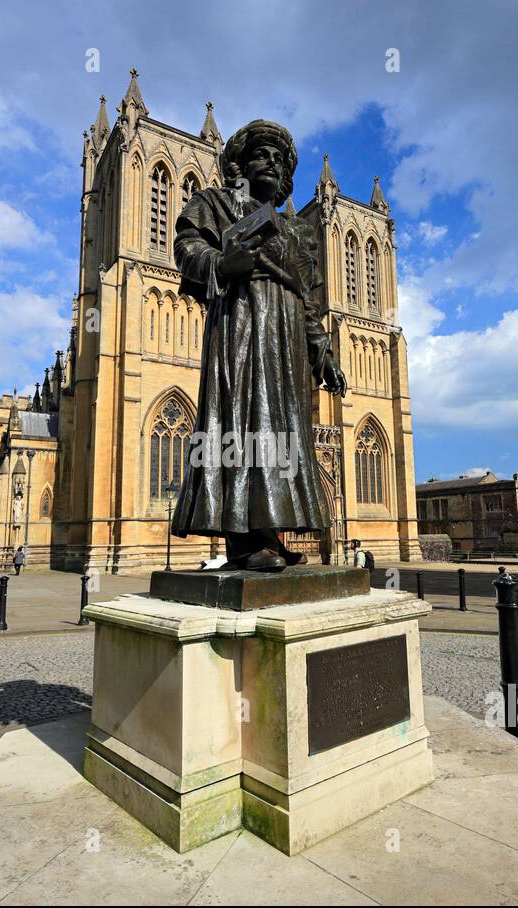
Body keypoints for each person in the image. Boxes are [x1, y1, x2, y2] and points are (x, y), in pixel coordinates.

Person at [170, 119, 346, 571]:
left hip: (284, 339)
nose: (270, 161)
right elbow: (187, 249)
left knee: (280, 428)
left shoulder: (297, 232)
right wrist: (221, 263)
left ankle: (269, 532)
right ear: (240, 164)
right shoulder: (214, 204)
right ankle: (243, 544)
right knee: (242, 421)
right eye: (262, 153)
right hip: (241, 327)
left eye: (279, 158)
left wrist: (322, 351)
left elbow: (308, 299)